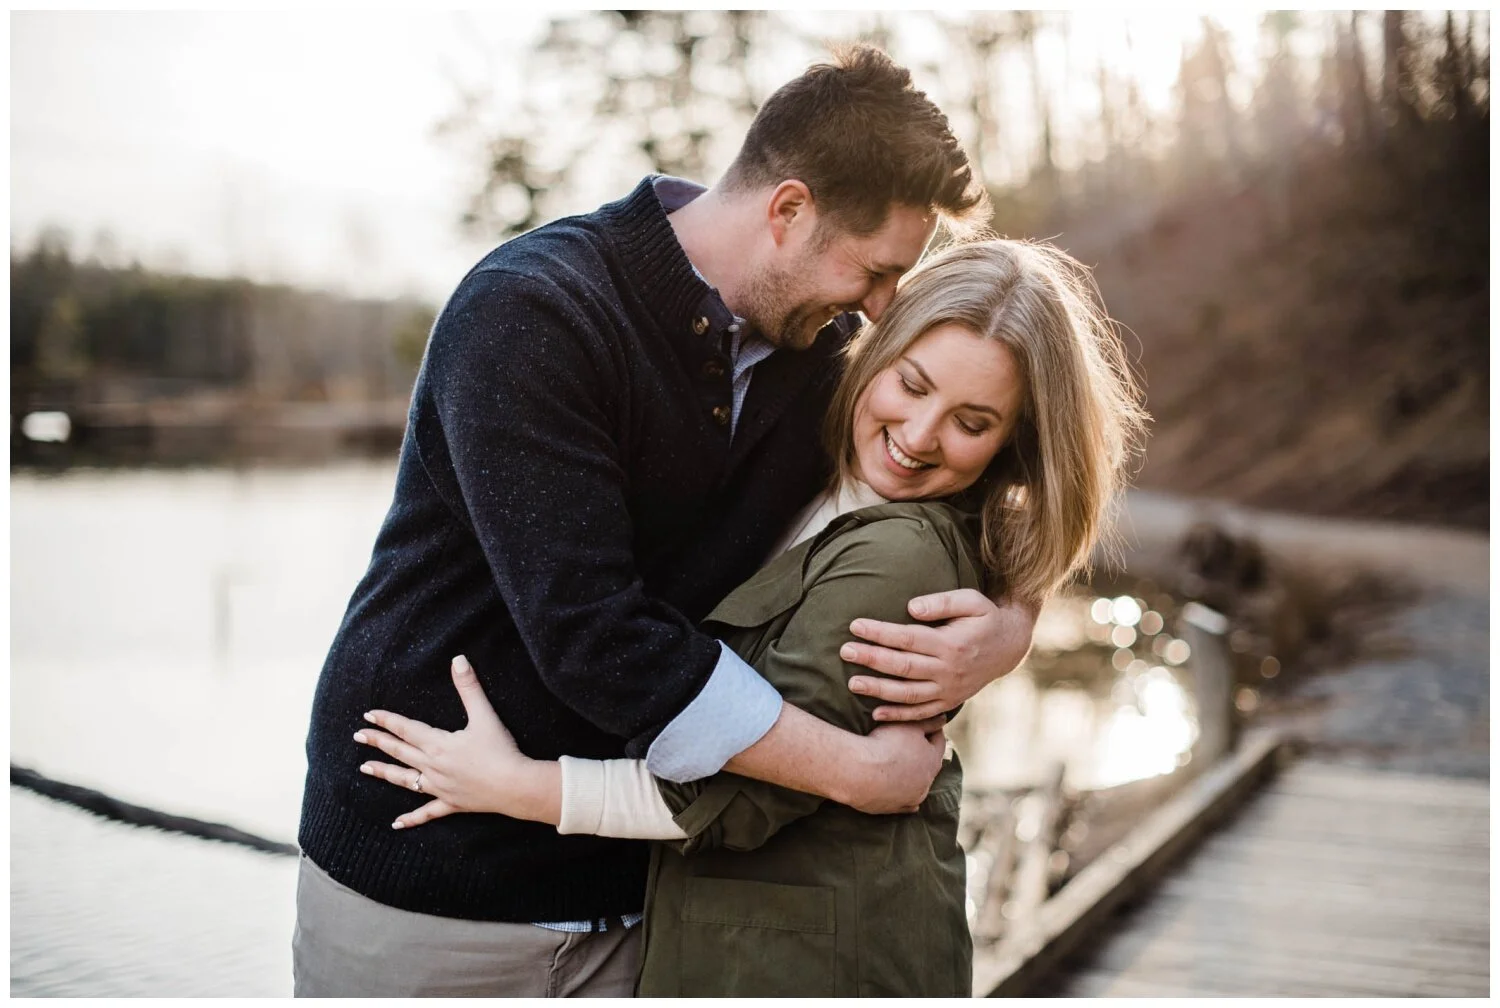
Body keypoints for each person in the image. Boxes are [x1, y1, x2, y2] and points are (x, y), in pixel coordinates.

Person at [293, 47, 1042, 998]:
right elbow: (595, 636)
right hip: (433, 869)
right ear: (789, 211)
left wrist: (1011, 625)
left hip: (648, 892)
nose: (884, 308)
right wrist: (856, 770)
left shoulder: (824, 354)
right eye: (877, 271)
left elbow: (1004, 479)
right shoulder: (535, 312)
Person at [354, 238, 1149, 995]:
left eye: (973, 423)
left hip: (816, 957)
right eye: (911, 384)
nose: (918, 435)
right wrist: (1014, 624)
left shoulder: (898, 558)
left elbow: (736, 793)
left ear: (1013, 440)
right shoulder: (802, 447)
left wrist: (521, 787)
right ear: (875, 349)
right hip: (747, 937)